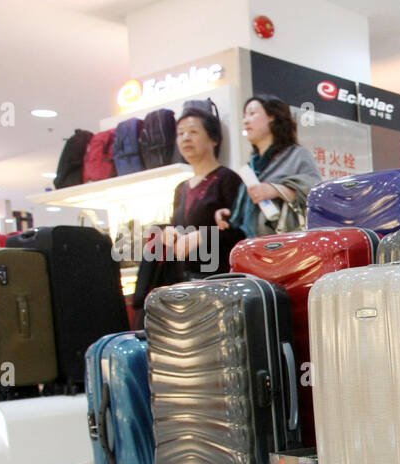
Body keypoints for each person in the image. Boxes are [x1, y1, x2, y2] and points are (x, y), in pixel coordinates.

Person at [132, 102, 242, 308]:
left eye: (193, 131)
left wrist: (201, 237)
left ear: (214, 139)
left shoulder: (228, 179)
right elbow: (179, 229)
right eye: (180, 133)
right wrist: (169, 234)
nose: (185, 138)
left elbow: (241, 231)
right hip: (185, 286)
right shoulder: (181, 188)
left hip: (220, 286)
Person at [217, 94, 322, 238]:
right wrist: (230, 215)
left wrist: (277, 190)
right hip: (254, 247)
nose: (246, 121)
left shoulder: (297, 155)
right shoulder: (251, 167)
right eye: (245, 115)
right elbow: (248, 216)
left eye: (252, 113)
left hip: (287, 244)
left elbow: (317, 192)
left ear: (272, 116)